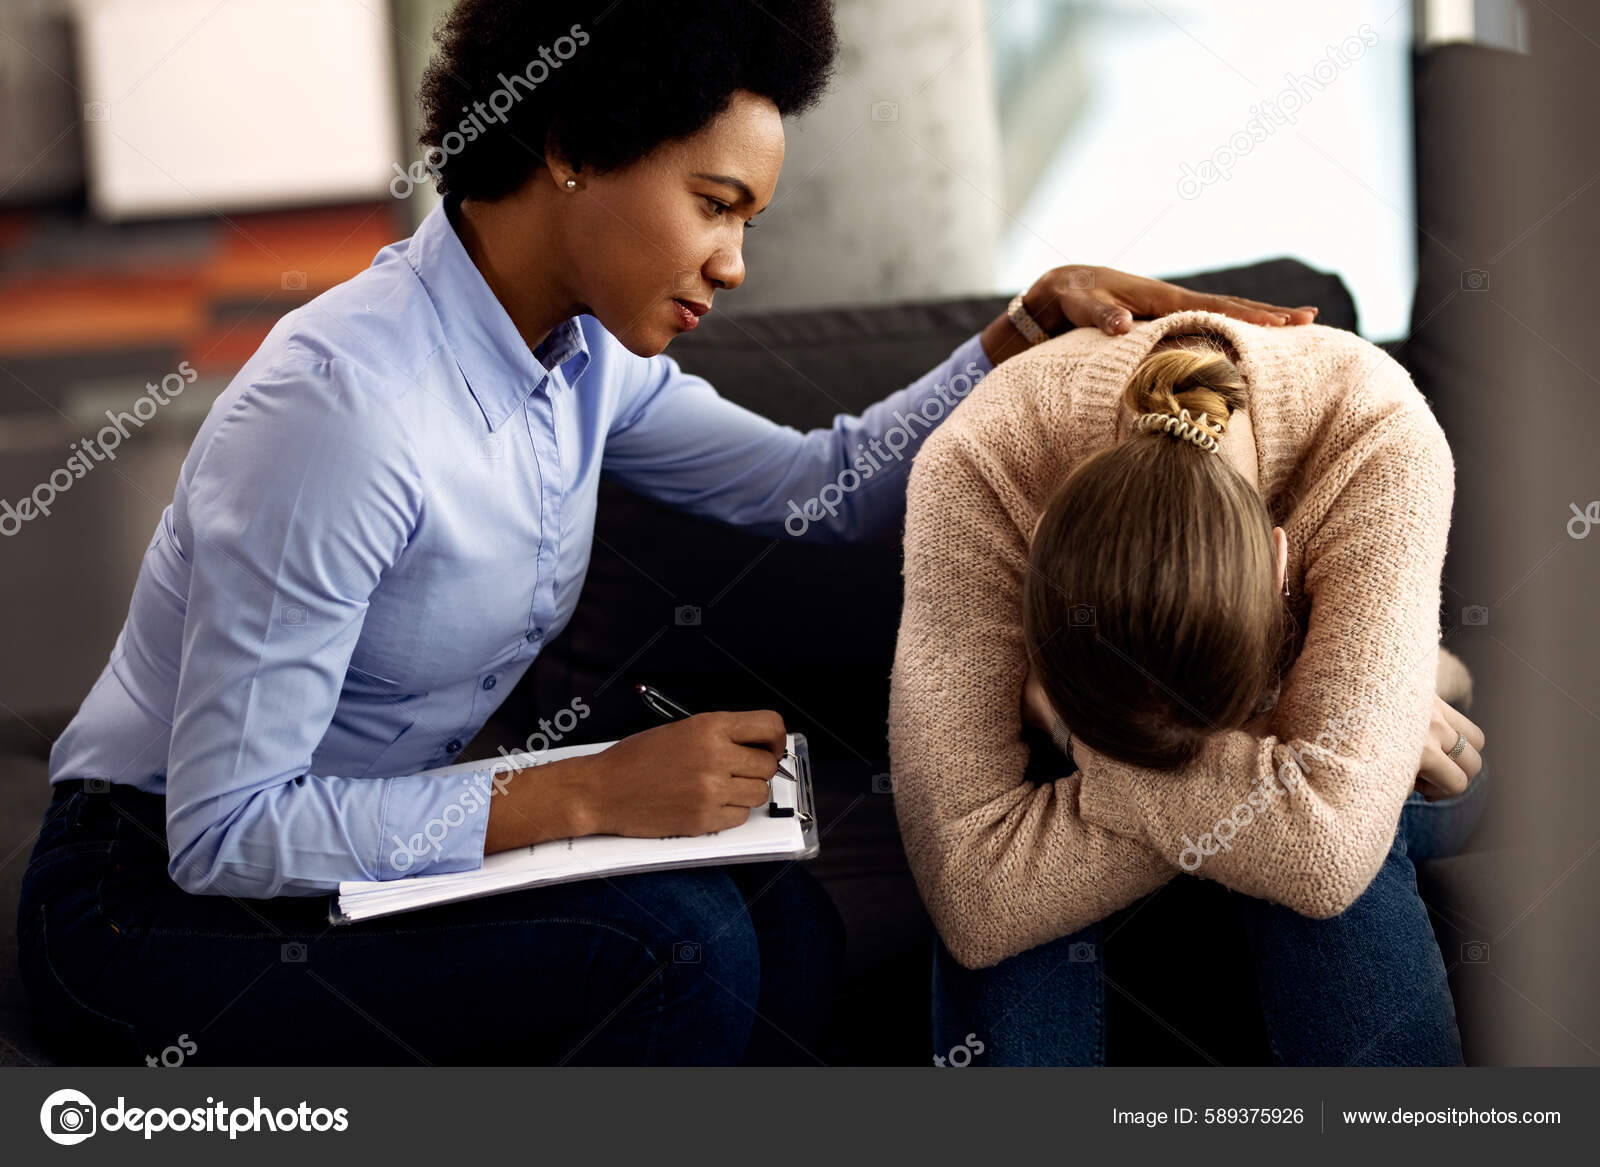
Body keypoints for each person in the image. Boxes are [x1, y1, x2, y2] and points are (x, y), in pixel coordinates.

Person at [17, 0, 1317, 1067]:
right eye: (715, 202)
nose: (735, 259)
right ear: (573, 142)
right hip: (152, 903)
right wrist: (591, 791)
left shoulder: (578, 355)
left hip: (327, 866)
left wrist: (1021, 333)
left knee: (784, 924)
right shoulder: (343, 412)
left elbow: (827, 486)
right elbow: (226, 827)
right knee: (674, 944)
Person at [889, 315, 1486, 1065]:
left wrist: (1069, 724)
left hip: (1431, 764)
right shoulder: (979, 462)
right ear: (1038, 549)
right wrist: (1284, 760)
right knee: (1295, 827)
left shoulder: (1376, 426)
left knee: (1347, 842)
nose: (1173, 751)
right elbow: (973, 894)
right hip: (1278, 777)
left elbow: (1330, 852)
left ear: (1279, 562)